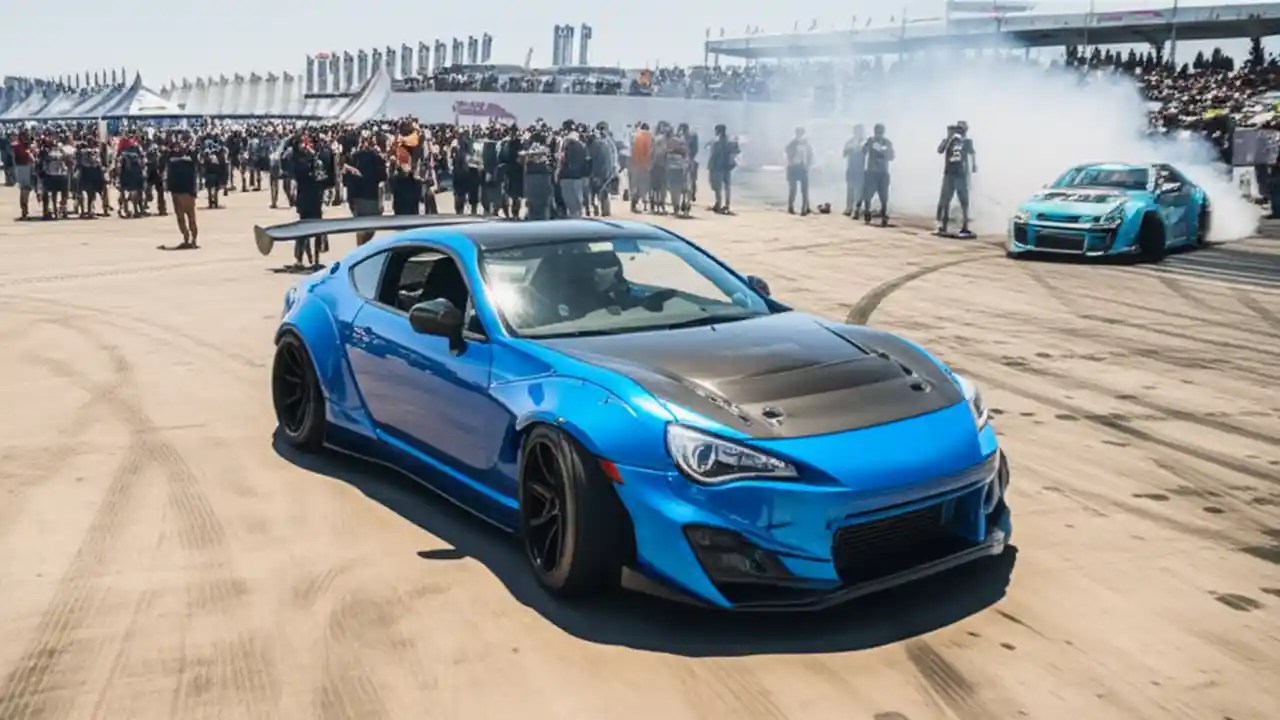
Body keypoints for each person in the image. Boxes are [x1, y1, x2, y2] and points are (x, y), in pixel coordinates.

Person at [344, 133, 387, 245]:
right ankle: (362, 251)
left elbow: (348, 179)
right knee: (369, 230)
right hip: (371, 197)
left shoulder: (354, 157)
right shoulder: (376, 157)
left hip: (359, 197)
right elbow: (383, 177)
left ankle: (360, 251)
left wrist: (350, 198)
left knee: (361, 229)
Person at [936, 120, 977, 236]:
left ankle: (965, 226)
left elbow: (972, 153)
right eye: (958, 129)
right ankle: (943, 225)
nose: (960, 131)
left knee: (964, 201)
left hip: (961, 174)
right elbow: (940, 150)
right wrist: (948, 137)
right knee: (945, 199)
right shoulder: (950, 140)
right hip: (949, 173)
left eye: (962, 129)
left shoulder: (967, 141)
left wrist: (974, 165)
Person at [165, 136, 200, 248]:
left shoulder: (188, 158)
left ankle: (191, 238)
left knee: (188, 217)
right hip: (180, 190)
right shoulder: (174, 157)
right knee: (184, 217)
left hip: (184, 190)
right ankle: (188, 238)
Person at [861, 123, 894, 226]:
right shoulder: (870, 141)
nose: (878, 134)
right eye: (877, 132)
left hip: (883, 173)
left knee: (884, 197)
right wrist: (868, 144)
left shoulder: (887, 142)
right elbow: (863, 151)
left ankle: (884, 216)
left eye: (880, 132)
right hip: (871, 172)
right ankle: (867, 213)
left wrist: (876, 146)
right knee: (868, 195)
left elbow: (891, 156)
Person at [557, 124, 590, 218]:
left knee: (570, 203)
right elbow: (586, 161)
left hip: (567, 177)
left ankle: (573, 221)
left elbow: (562, 161)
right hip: (578, 177)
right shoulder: (582, 146)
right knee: (577, 203)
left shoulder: (566, 145)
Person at [707, 124, 737, 215]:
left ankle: (718, 204)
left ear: (718, 131)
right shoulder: (730, 141)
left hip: (718, 167)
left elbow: (713, 155)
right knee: (727, 187)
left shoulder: (716, 141)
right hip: (727, 167)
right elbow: (735, 152)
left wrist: (710, 166)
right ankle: (726, 205)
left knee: (717, 187)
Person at [784, 127, 813, 216]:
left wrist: (808, 165)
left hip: (803, 168)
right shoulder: (792, 143)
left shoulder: (806, 144)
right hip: (793, 168)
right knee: (793, 189)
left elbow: (810, 155)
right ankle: (790, 207)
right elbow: (787, 152)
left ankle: (805, 208)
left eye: (801, 133)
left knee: (804, 190)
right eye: (799, 133)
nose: (800, 135)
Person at [843, 124, 867, 217]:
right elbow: (844, 154)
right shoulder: (849, 142)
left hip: (861, 169)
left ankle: (858, 208)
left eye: (860, 131)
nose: (858, 133)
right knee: (850, 189)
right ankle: (849, 208)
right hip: (851, 168)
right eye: (856, 131)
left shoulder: (866, 142)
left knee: (859, 190)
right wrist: (850, 149)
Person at [629, 123, 652, 212]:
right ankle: (644, 203)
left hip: (635, 165)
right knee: (644, 186)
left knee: (636, 186)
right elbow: (650, 151)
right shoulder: (649, 136)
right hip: (645, 165)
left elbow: (631, 151)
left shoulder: (635, 136)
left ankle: (634, 204)